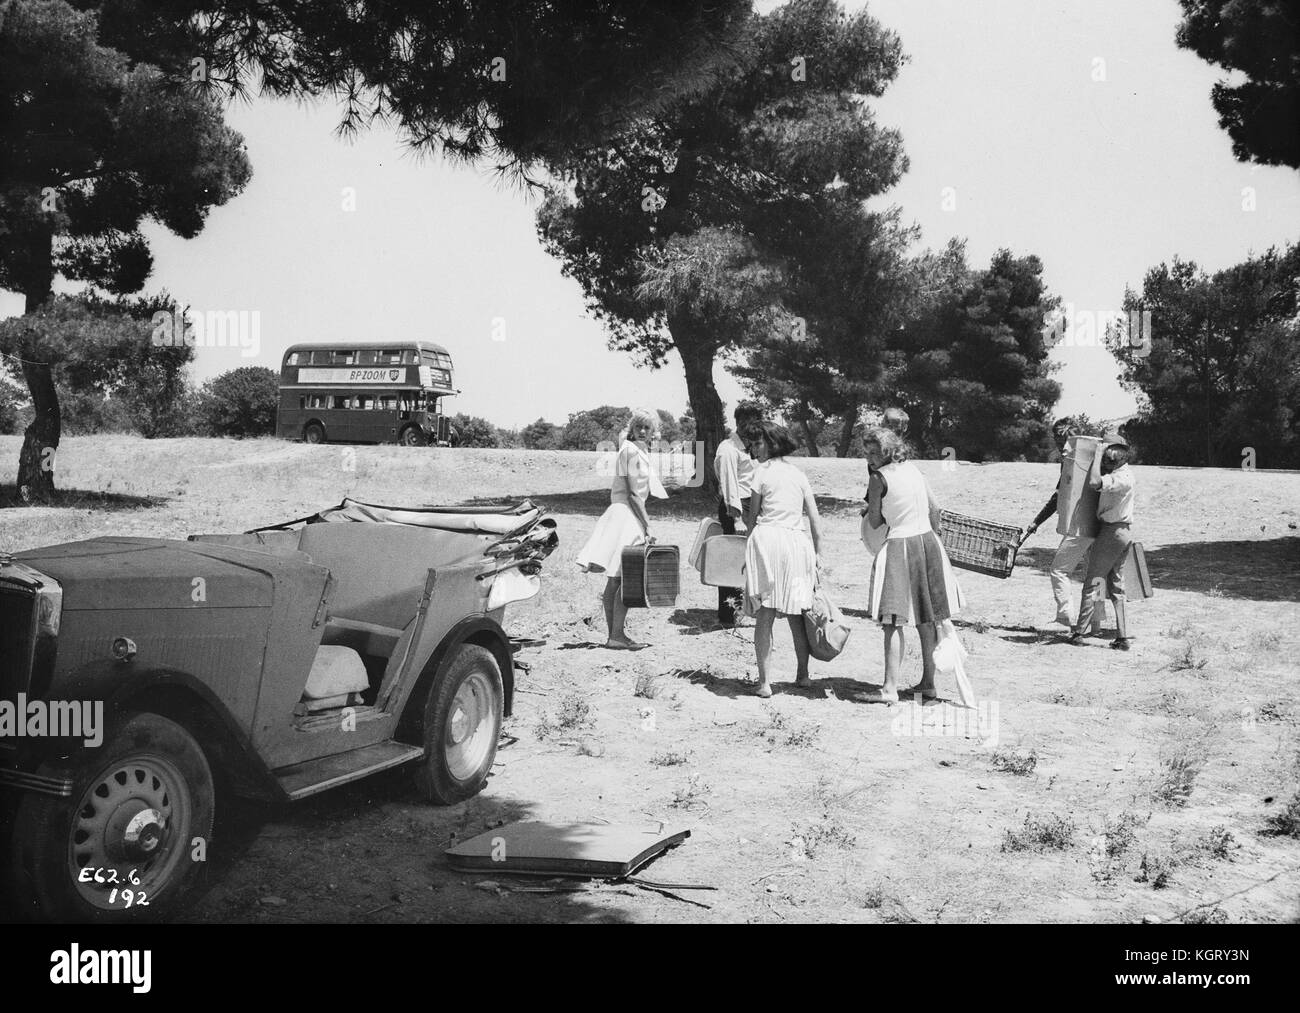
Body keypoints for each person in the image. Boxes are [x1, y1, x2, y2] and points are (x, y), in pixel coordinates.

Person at [861, 424, 965, 703]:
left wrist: (879, 508)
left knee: (892, 621)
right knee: (927, 618)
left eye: (873, 452)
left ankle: (889, 688)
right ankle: (928, 684)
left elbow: (873, 522)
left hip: (899, 545)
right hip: (928, 543)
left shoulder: (877, 478)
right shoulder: (914, 470)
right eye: (867, 452)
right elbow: (936, 508)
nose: (869, 458)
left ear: (886, 452)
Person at [742, 421, 822, 698]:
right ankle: (803, 675)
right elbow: (814, 518)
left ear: (772, 443)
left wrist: (748, 553)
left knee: (765, 612)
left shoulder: (760, 472)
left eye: (757, 443)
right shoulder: (799, 474)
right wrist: (818, 552)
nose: (754, 450)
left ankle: (765, 683)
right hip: (797, 543)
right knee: (798, 613)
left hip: (768, 541)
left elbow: (752, 518)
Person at [575, 408, 667, 649]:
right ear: (632, 428)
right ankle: (616, 635)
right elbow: (635, 496)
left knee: (616, 579)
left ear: (653, 431)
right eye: (639, 426)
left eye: (647, 427)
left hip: (624, 514)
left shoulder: (636, 451)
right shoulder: (630, 452)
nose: (643, 431)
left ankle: (614, 636)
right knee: (626, 579)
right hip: (626, 515)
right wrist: (648, 526)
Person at [1022, 419, 1105, 632]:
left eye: (1062, 442)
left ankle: (1066, 618)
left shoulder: (1072, 460)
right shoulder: (1098, 456)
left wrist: (1037, 521)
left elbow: (1058, 497)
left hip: (1080, 524)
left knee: (1059, 570)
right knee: (1095, 573)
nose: (1062, 448)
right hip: (1102, 525)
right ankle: (1095, 624)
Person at [1069, 442, 1136, 650]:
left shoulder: (1122, 478)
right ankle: (1122, 636)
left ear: (1121, 460)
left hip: (1111, 532)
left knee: (1093, 581)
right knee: (1116, 586)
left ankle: (1079, 632)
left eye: (1110, 460)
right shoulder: (1125, 474)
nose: (1107, 463)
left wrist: (1097, 454)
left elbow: (1094, 482)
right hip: (1122, 533)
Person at [714, 401, 762, 624]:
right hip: (735, 507)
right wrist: (736, 517)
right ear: (738, 421)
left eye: (754, 420)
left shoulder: (751, 447)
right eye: (745, 420)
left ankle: (745, 607)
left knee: (749, 558)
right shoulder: (728, 449)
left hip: (750, 507)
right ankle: (729, 612)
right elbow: (729, 484)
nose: (749, 425)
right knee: (732, 559)